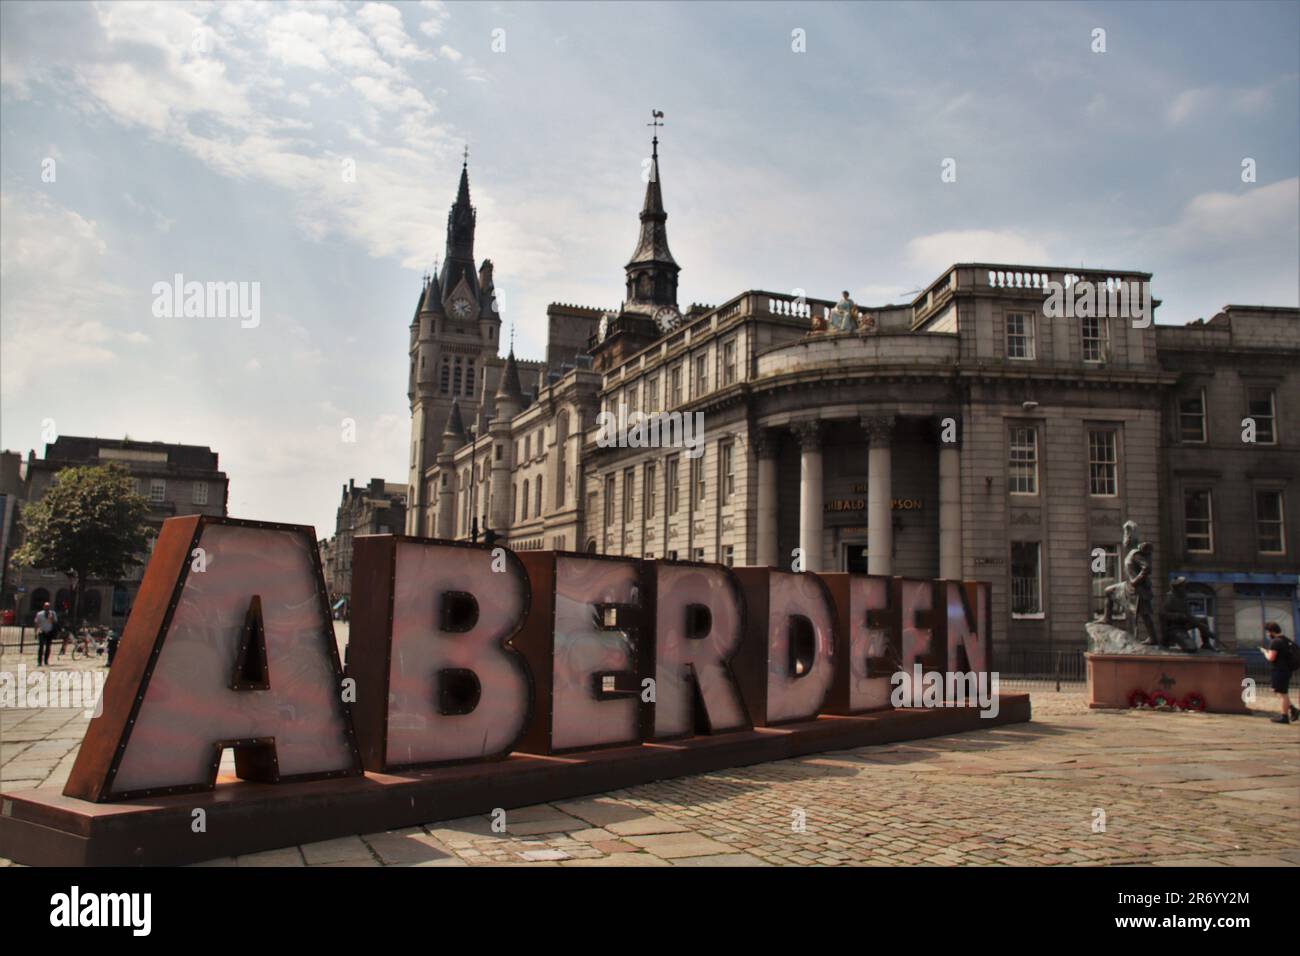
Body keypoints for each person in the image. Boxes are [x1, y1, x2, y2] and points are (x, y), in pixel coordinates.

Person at [1261, 621, 1300, 724]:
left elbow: (1271, 658)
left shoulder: (1276, 642)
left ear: (1271, 632)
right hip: (1287, 670)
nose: (1267, 634)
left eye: (1267, 632)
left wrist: (1265, 652)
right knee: (1277, 690)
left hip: (1279, 670)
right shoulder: (1287, 640)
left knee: (1283, 693)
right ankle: (1293, 709)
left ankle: (1284, 716)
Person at [34, 602, 58, 666]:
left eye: (48, 606)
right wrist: (35, 632)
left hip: (49, 632)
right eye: (46, 606)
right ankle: (39, 661)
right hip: (42, 631)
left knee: (48, 647)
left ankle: (46, 660)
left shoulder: (52, 613)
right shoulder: (39, 614)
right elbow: (36, 623)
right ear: (43, 607)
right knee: (41, 647)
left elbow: (55, 622)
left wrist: (52, 618)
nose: (47, 607)